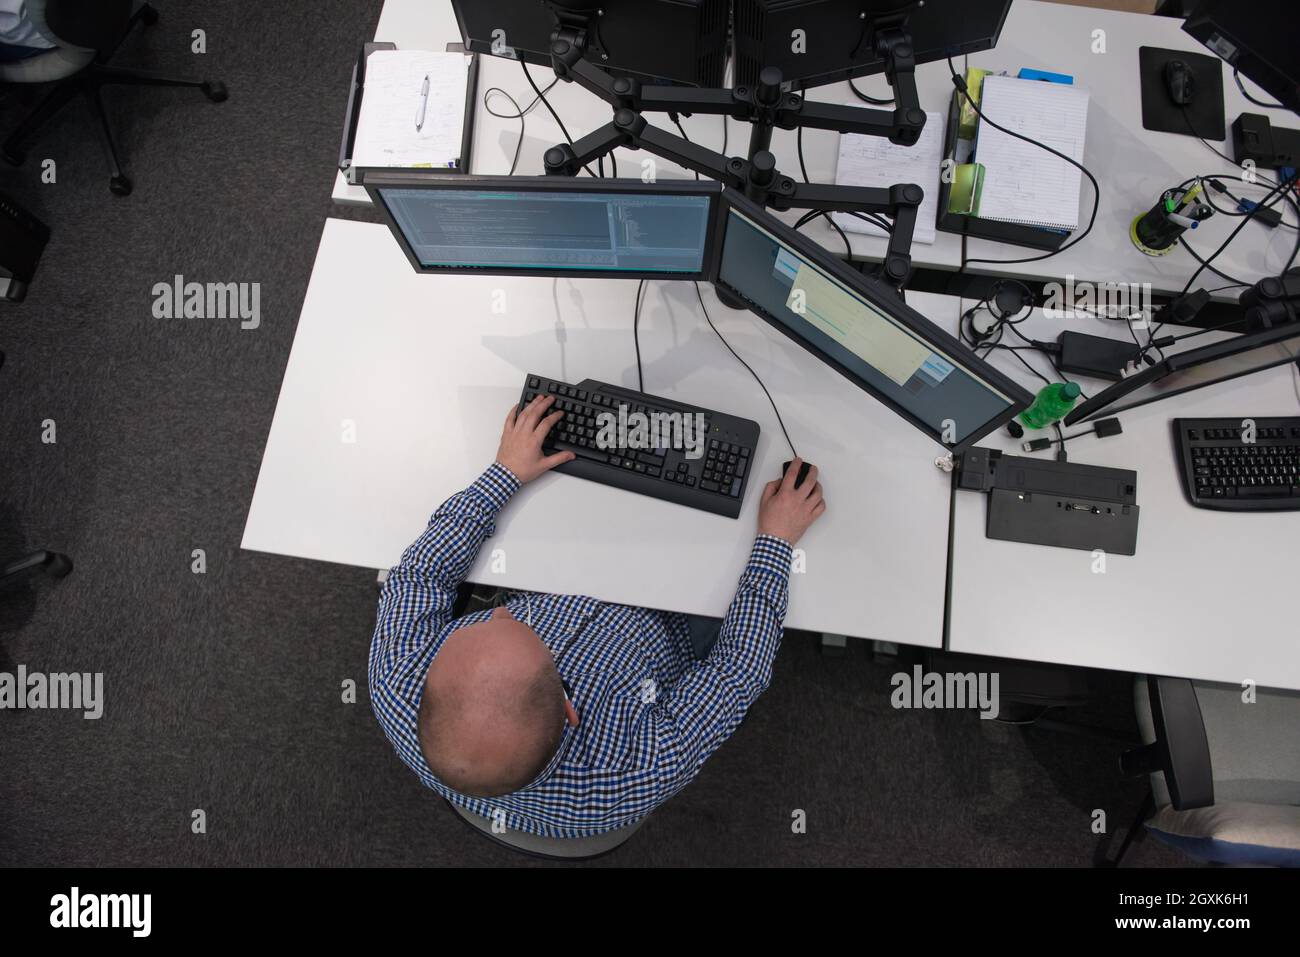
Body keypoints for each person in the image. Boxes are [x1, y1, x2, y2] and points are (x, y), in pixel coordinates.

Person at [368, 393, 825, 837]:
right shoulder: (636, 769)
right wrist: (776, 541)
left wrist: (505, 473)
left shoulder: (397, 681)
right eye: (527, 632)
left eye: (487, 620)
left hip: (567, 577)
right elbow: (737, 672)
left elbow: (421, 577)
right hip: (667, 628)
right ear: (570, 708)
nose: (502, 614)